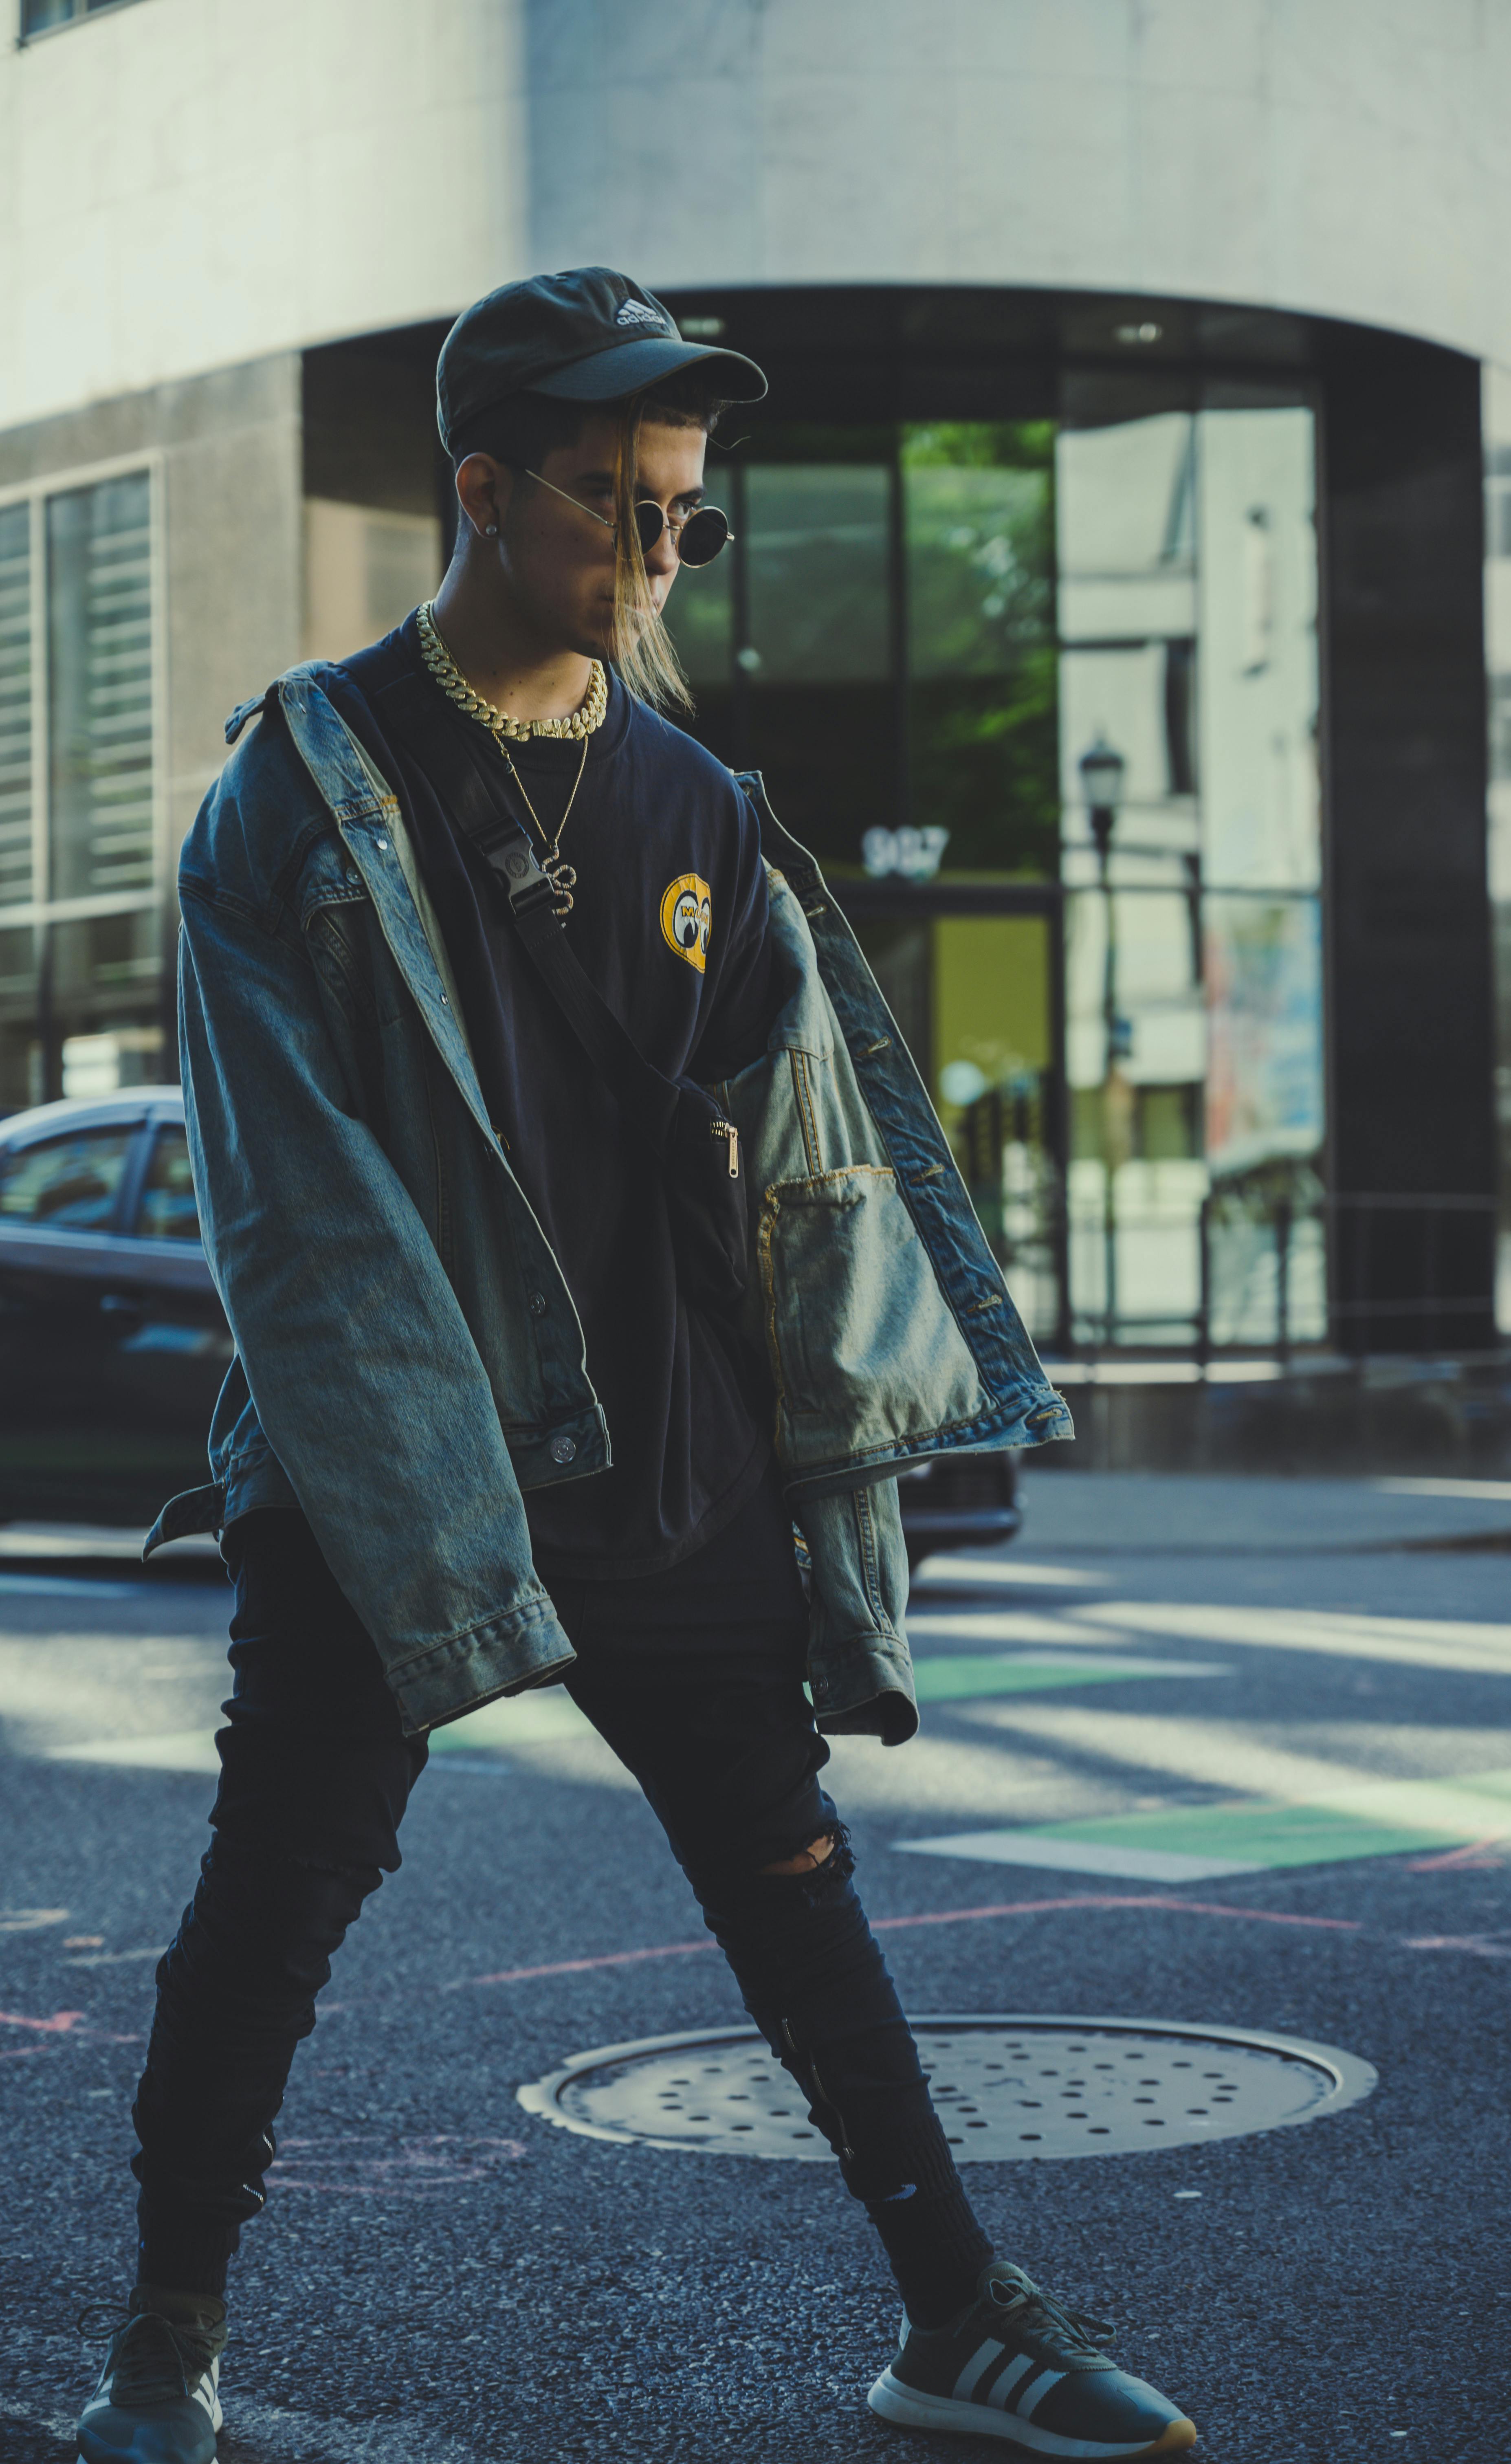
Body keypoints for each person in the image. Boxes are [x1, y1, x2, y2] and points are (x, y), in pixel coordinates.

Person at [74, 268, 1198, 2464]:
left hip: (667, 1459)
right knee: (277, 1896)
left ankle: (958, 2316)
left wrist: (825, 1496)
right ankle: (163, 2348)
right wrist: (444, 1546)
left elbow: (801, 1195)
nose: (656, 550)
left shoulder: (700, 806)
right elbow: (302, 1225)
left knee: (787, 1882)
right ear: (482, 490)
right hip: (392, 1454)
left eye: (686, 512)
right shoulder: (302, 787)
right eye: (613, 502)